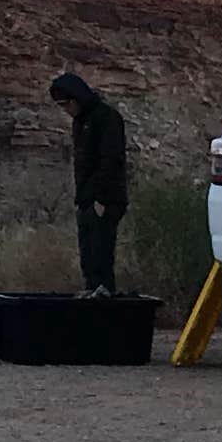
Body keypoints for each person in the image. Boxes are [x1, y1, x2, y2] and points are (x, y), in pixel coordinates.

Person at [50, 68, 130, 293]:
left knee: (101, 253)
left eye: (66, 104)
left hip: (106, 199)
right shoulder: (81, 122)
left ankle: (104, 296)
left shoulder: (107, 118)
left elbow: (111, 160)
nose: (65, 110)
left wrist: (100, 199)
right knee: (88, 254)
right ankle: (93, 292)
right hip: (86, 199)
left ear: (77, 99)